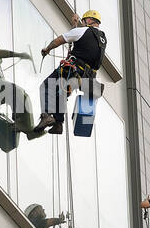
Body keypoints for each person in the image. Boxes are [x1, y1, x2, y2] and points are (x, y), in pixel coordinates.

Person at [29, 9, 106, 137]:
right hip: (85, 78)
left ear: (90, 20)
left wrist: (47, 49)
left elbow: (60, 40)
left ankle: (46, 115)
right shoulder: (102, 39)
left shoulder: (81, 31)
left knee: (47, 86)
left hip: (73, 70)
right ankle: (58, 123)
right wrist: (76, 24)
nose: (83, 22)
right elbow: (86, 35)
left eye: (84, 20)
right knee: (60, 91)